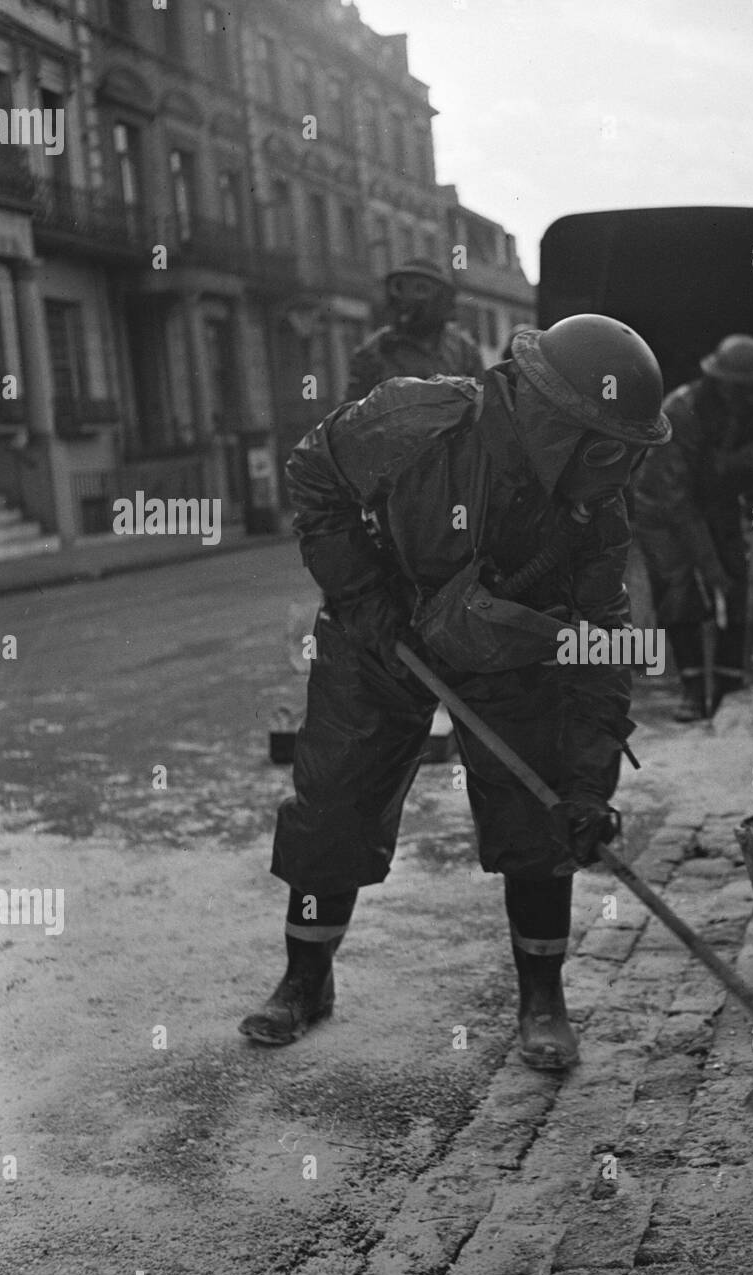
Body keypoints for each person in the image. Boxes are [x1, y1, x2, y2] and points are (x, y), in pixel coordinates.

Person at [240, 315, 672, 1071]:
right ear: (552, 420)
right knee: (335, 805)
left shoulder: (595, 512)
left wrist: (585, 781)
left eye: (629, 453)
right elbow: (315, 476)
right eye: (608, 449)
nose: (619, 472)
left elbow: (601, 639)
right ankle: (304, 980)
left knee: (540, 815)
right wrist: (366, 596)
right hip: (383, 631)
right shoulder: (418, 418)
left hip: (509, 646)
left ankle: (543, 999)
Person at [631, 334, 753, 720]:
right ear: (722, 383)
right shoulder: (681, 412)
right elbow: (677, 503)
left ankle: (729, 688)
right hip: (663, 510)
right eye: (745, 390)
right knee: (679, 590)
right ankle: (692, 692)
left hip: (716, 502)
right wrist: (710, 568)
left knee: (737, 585)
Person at [344, 259, 484, 400]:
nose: (408, 300)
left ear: (442, 299)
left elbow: (484, 403)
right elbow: (353, 411)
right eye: (400, 287)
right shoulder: (374, 351)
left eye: (422, 289)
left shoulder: (463, 349)